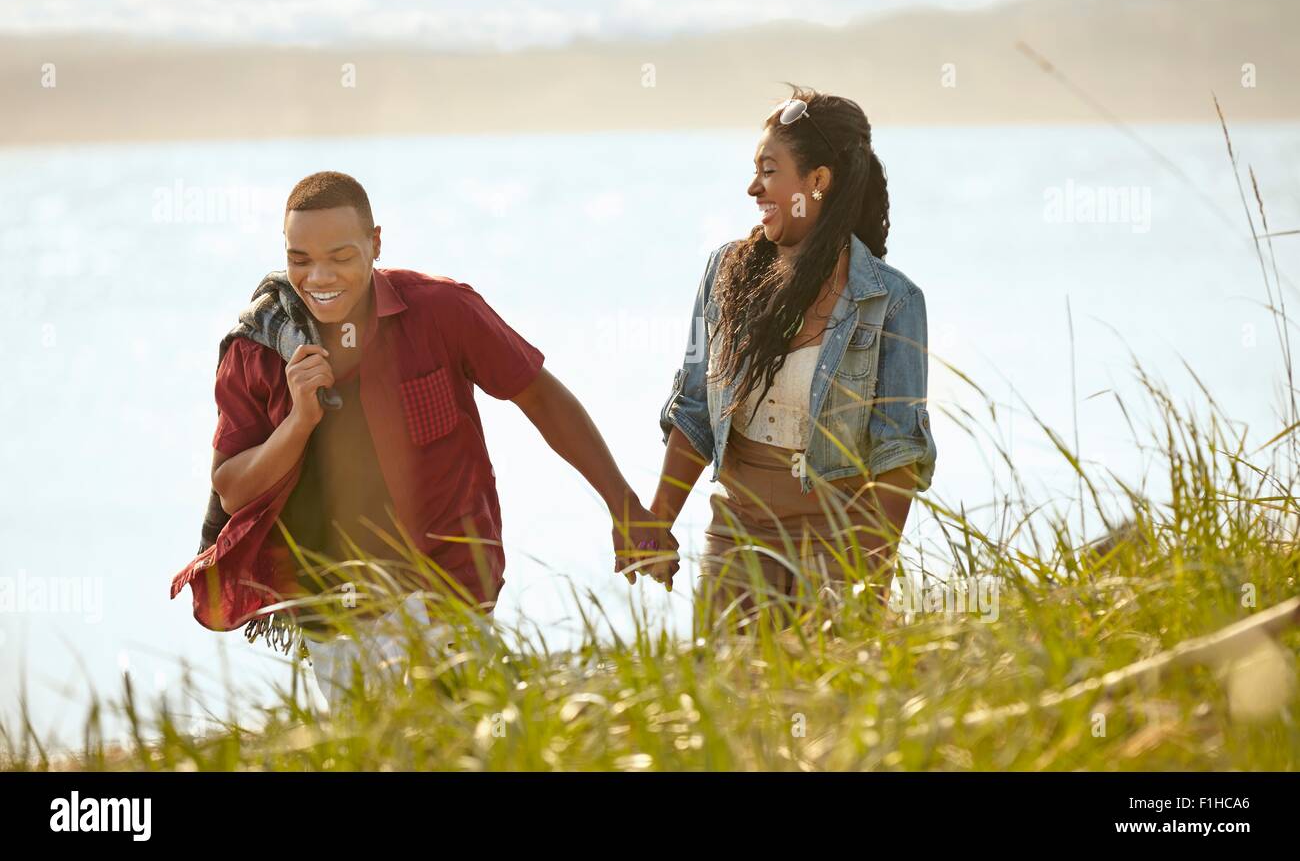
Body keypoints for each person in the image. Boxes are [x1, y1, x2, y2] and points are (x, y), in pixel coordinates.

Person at [170, 171, 676, 708]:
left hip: (447, 587)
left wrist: (625, 507)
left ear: (376, 243)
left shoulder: (442, 310)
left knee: (470, 737)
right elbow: (232, 491)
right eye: (300, 259)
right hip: (330, 611)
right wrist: (297, 422)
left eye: (340, 257)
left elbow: (541, 399)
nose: (319, 276)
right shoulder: (258, 348)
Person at [651, 87, 937, 630]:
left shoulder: (894, 302)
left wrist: (866, 584)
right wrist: (655, 526)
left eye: (768, 170)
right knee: (728, 704)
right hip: (737, 539)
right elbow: (693, 407)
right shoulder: (725, 274)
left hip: (839, 549)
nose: (753, 187)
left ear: (817, 182)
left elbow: (897, 456)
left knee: (830, 707)